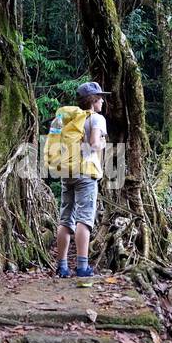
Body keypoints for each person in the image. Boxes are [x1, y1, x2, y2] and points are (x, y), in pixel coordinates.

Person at [54, 81, 109, 278]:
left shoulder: (69, 119)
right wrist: (102, 142)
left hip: (67, 172)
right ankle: (82, 267)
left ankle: (61, 267)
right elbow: (93, 144)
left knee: (65, 218)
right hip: (86, 174)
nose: (102, 100)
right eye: (100, 97)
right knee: (84, 219)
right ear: (93, 100)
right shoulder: (96, 119)